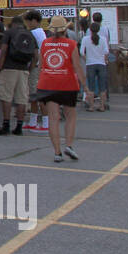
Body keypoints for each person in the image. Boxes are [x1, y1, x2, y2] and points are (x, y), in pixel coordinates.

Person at [31, 15, 86, 162]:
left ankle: (57, 152)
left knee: (53, 118)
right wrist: (86, 87)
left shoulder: (45, 44)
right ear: (65, 29)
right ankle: (69, 145)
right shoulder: (71, 44)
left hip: (47, 83)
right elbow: (77, 67)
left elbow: (41, 65)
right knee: (70, 116)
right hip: (67, 83)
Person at [0, 15, 35, 135]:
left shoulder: (9, 33)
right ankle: (19, 127)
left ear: (12, 23)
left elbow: (4, 49)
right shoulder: (30, 34)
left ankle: (6, 125)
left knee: (6, 96)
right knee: (21, 98)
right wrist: (29, 69)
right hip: (23, 69)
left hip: (9, 68)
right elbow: (36, 55)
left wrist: (0, 66)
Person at [79, 18, 111, 112]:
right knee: (102, 87)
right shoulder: (103, 39)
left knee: (91, 86)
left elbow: (81, 52)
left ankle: (91, 106)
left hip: (90, 64)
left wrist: (86, 59)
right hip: (101, 64)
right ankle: (102, 106)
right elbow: (106, 51)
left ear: (90, 30)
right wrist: (104, 59)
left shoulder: (85, 39)